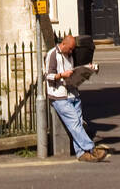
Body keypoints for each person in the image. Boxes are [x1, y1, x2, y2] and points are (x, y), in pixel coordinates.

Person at [45, 34, 107, 162]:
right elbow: (48, 76)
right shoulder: (52, 55)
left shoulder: (70, 55)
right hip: (59, 96)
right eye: (70, 49)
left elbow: (75, 70)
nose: (71, 52)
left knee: (78, 124)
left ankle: (81, 154)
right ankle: (91, 149)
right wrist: (62, 75)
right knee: (75, 124)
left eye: (73, 49)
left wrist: (87, 70)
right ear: (64, 44)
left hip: (73, 93)